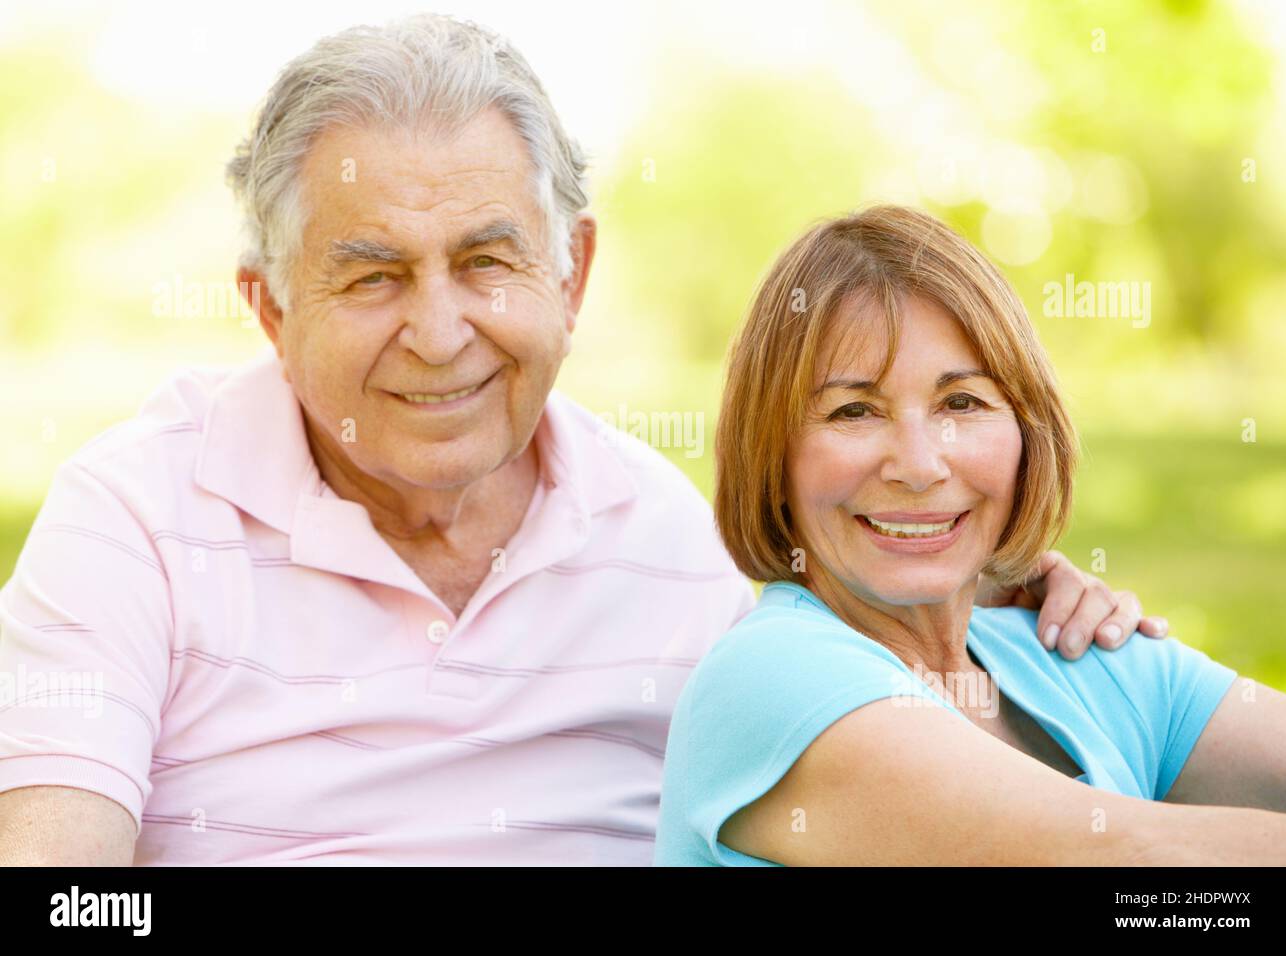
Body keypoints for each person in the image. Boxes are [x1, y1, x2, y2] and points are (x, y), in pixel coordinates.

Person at [0, 17, 1159, 866]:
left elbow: (879, 740)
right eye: (373, 274)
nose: (440, 331)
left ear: (573, 275)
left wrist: (991, 587)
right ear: (269, 308)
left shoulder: (673, 539)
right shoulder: (136, 513)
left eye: (487, 261)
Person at [654, 204, 1286, 866]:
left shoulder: (1077, 652)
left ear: (1027, 430)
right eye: (854, 410)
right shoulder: (767, 679)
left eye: (961, 403)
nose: (919, 465)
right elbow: (1135, 862)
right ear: (773, 457)